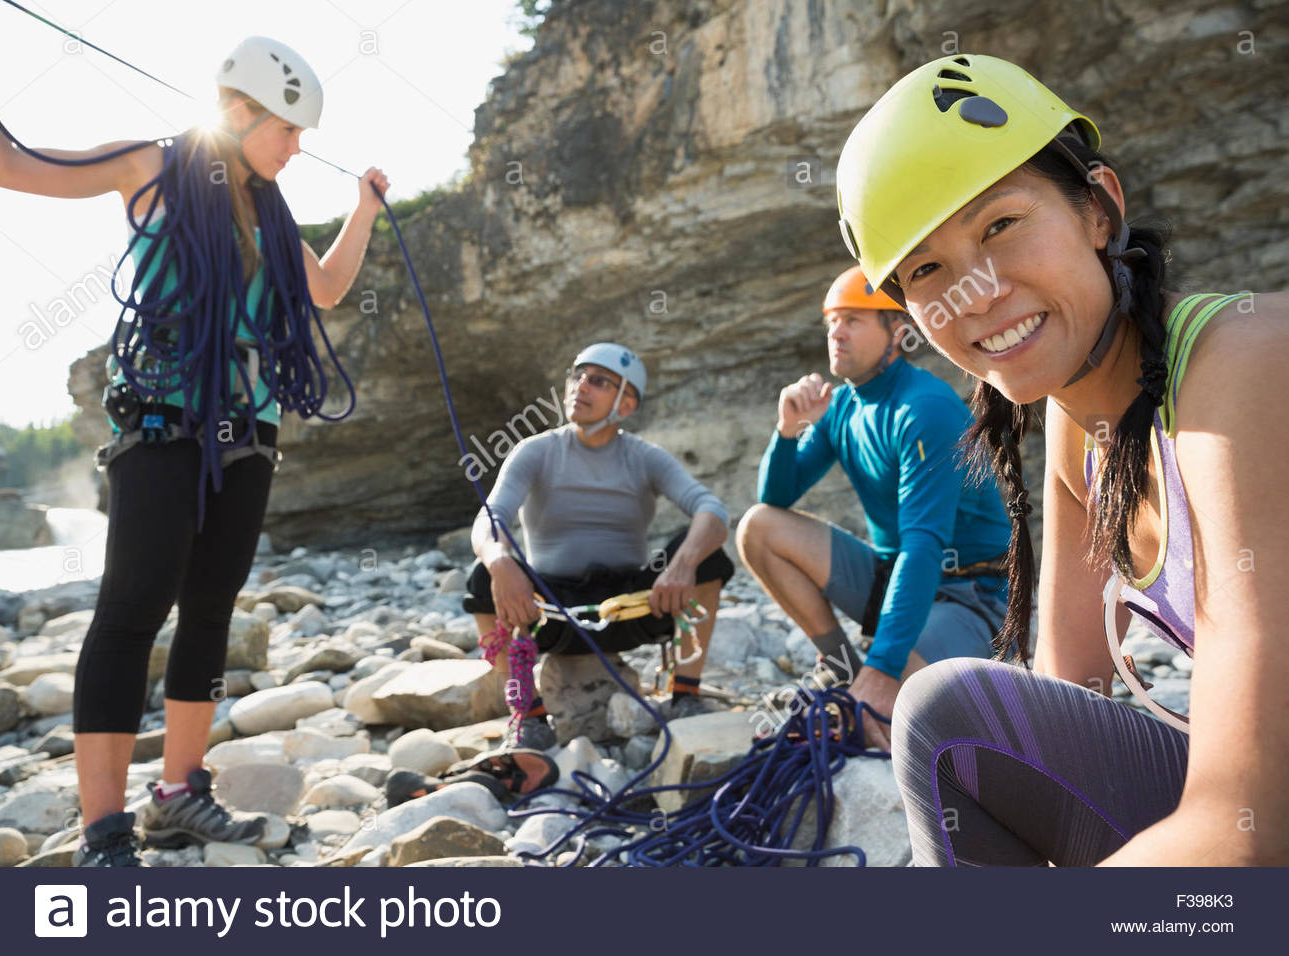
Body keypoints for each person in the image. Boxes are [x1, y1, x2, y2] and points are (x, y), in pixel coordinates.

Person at [836, 53, 1289, 865]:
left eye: (1000, 225)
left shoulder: (1245, 364)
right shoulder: (1081, 426)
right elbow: (1062, 702)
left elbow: (1250, 833)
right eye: (928, 269)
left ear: (1099, 209)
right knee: (947, 717)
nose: (973, 293)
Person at [0, 36, 390, 866]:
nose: (297, 146)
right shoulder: (151, 166)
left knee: (211, 610)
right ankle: (105, 830)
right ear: (238, 112)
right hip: (161, 424)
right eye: (287, 129)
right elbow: (12, 165)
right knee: (133, 609)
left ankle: (179, 793)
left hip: (250, 434)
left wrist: (365, 210)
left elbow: (326, 290)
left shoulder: (273, 211)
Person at [392, 344, 733, 801]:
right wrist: (499, 562)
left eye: (598, 381)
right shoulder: (536, 451)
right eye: (577, 376)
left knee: (709, 557)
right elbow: (490, 518)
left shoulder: (645, 457)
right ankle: (529, 720)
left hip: (628, 609)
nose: (580, 388)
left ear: (626, 403)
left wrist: (684, 564)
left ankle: (685, 694)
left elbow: (711, 509)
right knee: (480, 578)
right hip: (550, 613)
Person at [736, 265, 1012, 751]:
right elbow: (775, 500)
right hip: (895, 581)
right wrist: (787, 430)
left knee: (903, 719)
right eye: (831, 322)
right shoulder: (841, 406)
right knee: (758, 528)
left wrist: (884, 671)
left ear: (897, 334)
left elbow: (923, 546)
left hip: (970, 591)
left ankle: (878, 672)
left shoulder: (923, 408)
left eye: (854, 321)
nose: (836, 332)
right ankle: (845, 667)